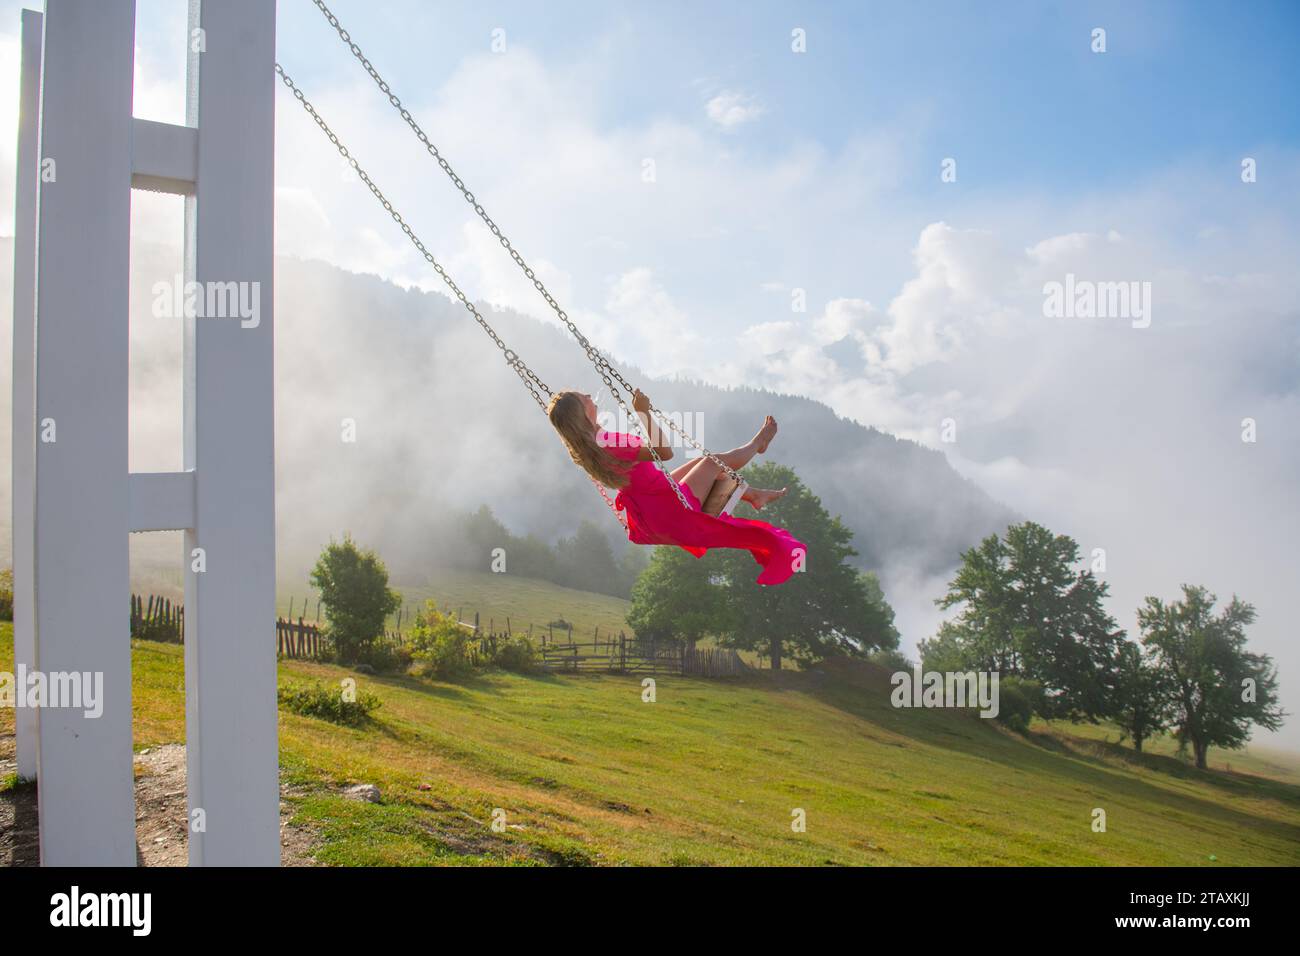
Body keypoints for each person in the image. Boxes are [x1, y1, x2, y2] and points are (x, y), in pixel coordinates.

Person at [547, 388, 806, 585]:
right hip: (669, 506)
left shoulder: (587, 448)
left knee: (700, 464)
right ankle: (757, 445)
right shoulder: (607, 442)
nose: (590, 396)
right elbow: (664, 452)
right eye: (584, 398)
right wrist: (643, 413)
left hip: (652, 503)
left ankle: (753, 495)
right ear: (581, 413)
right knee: (712, 462)